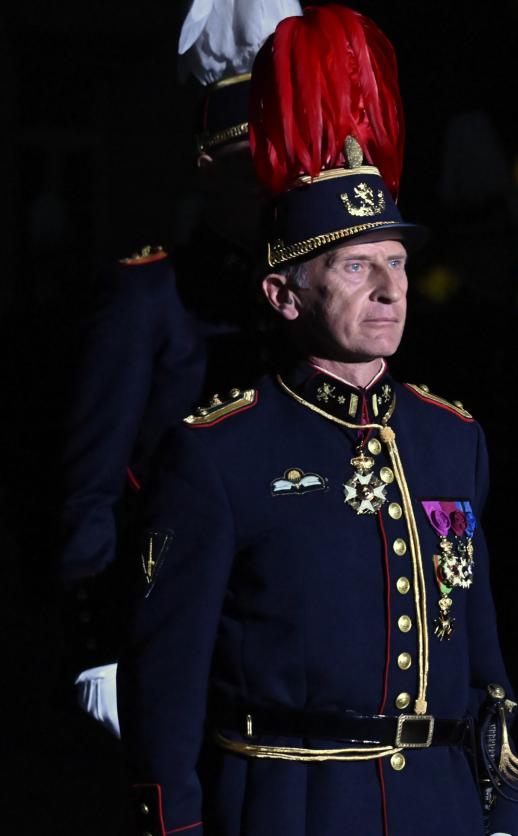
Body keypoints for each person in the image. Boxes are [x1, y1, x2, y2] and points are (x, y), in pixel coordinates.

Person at [118, 7, 518, 834]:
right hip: (293, 805)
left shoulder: (452, 438)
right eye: (355, 265)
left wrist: (503, 816)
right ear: (283, 294)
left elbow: (489, 664)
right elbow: (165, 697)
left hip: (442, 805)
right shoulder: (219, 455)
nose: (390, 289)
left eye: (397, 262)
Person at [59, 0, 301, 731]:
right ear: (207, 169)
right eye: (249, 170)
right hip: (170, 599)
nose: (268, 191)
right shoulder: (147, 296)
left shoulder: (300, 288)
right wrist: (99, 643)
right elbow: (92, 484)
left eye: (280, 171)